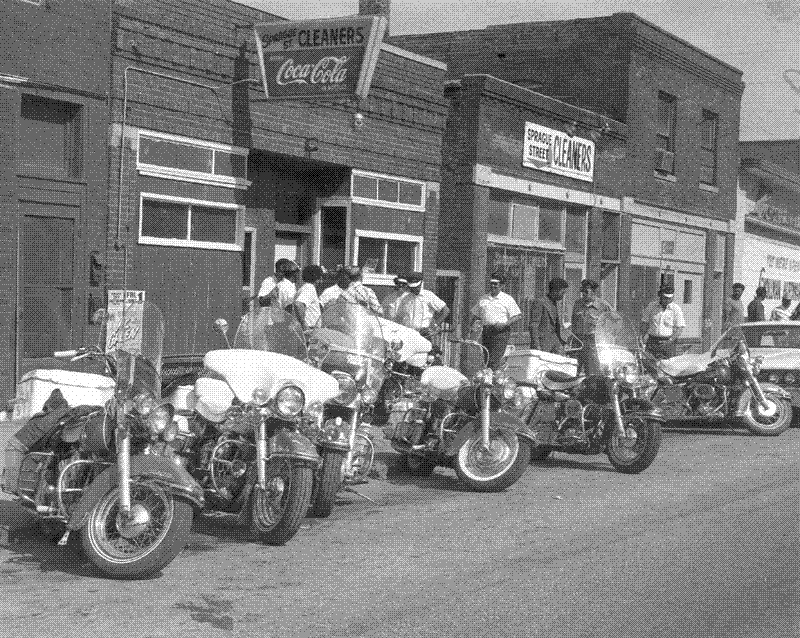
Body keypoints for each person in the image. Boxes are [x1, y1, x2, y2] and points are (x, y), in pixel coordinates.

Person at [469, 273, 522, 369]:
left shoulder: (507, 299)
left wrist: (505, 324)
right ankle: (487, 381)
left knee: (494, 360)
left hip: (500, 333)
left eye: (495, 284)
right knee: (486, 358)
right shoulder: (484, 298)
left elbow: (517, 316)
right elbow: (476, 315)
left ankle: (493, 381)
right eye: (491, 283)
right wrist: (472, 327)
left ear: (501, 286)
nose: (493, 286)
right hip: (486, 331)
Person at [570, 279, 612, 376]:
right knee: (573, 370)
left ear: (593, 291)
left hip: (593, 342)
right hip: (578, 341)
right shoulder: (578, 303)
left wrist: (606, 337)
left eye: (586, 291)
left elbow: (613, 322)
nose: (583, 294)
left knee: (592, 372)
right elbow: (574, 322)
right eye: (582, 291)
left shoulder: (603, 305)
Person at [396, 272, 449, 338]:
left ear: (421, 283)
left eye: (416, 287)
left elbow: (445, 310)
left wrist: (434, 325)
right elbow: (399, 316)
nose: (414, 289)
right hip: (407, 333)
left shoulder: (428, 295)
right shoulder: (406, 298)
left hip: (423, 334)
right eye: (412, 287)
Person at [641, 284, 685, 360]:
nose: (667, 300)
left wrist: (670, 340)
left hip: (668, 342)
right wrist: (642, 337)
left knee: (667, 366)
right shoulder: (652, 306)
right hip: (652, 341)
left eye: (670, 298)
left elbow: (679, 328)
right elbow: (645, 322)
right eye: (665, 298)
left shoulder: (676, 309)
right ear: (660, 295)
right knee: (649, 365)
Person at [529, 278, 569, 354]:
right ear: (556, 290)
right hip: (543, 344)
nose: (563, 295)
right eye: (562, 292)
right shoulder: (540, 302)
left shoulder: (556, 303)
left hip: (555, 342)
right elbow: (533, 325)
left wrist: (562, 342)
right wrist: (537, 346)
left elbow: (556, 326)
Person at [293, 265, 325, 331]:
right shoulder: (309, 287)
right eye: (321, 277)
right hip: (309, 329)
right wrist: (304, 324)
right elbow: (298, 304)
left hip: (310, 328)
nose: (322, 280)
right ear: (317, 277)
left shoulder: (305, 287)